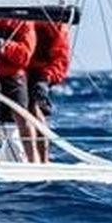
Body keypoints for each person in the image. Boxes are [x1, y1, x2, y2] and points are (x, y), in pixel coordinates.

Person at [0, 18, 39, 163]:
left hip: (13, 77)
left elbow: (24, 56)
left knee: (22, 118)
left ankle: (33, 160)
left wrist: (1, 44)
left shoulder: (24, 23)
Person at [26, 21, 71, 163]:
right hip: (12, 66)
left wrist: (45, 79)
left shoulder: (55, 24)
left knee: (33, 108)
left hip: (38, 73)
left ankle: (42, 160)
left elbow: (61, 58)